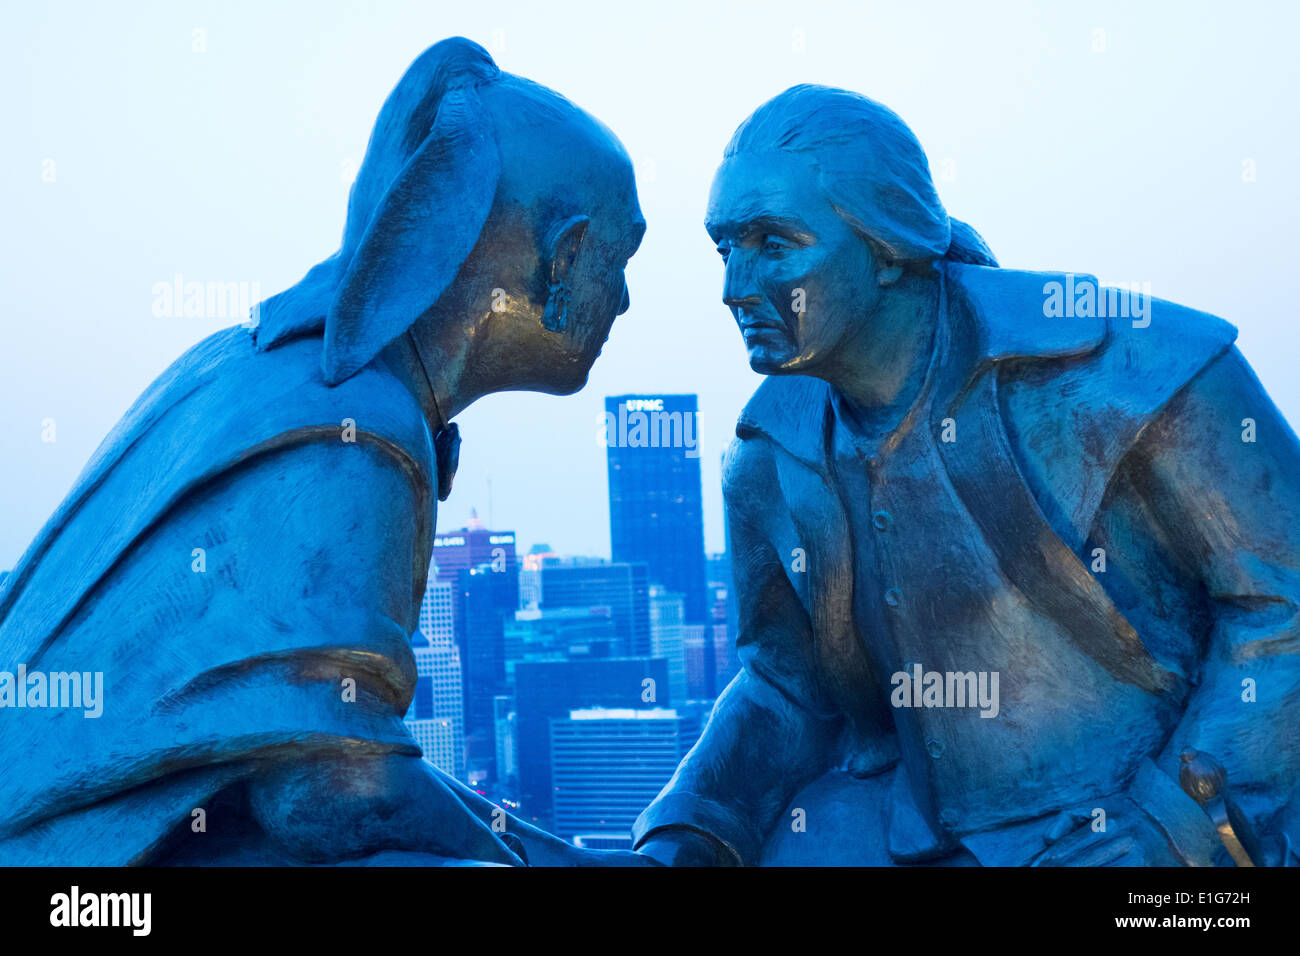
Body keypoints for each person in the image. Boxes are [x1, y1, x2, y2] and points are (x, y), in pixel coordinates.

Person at [0, 37, 647, 866]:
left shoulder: (261, 363)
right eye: (618, 263)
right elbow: (330, 799)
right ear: (562, 258)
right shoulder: (359, 435)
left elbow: (345, 754)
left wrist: (552, 854)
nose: (625, 302)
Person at [635, 84, 1300, 867]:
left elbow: (1283, 606)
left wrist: (1173, 828)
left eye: (773, 244)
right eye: (725, 248)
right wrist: (688, 828)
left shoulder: (1136, 375)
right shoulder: (768, 456)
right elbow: (788, 685)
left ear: (887, 246)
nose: (734, 287)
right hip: (909, 839)